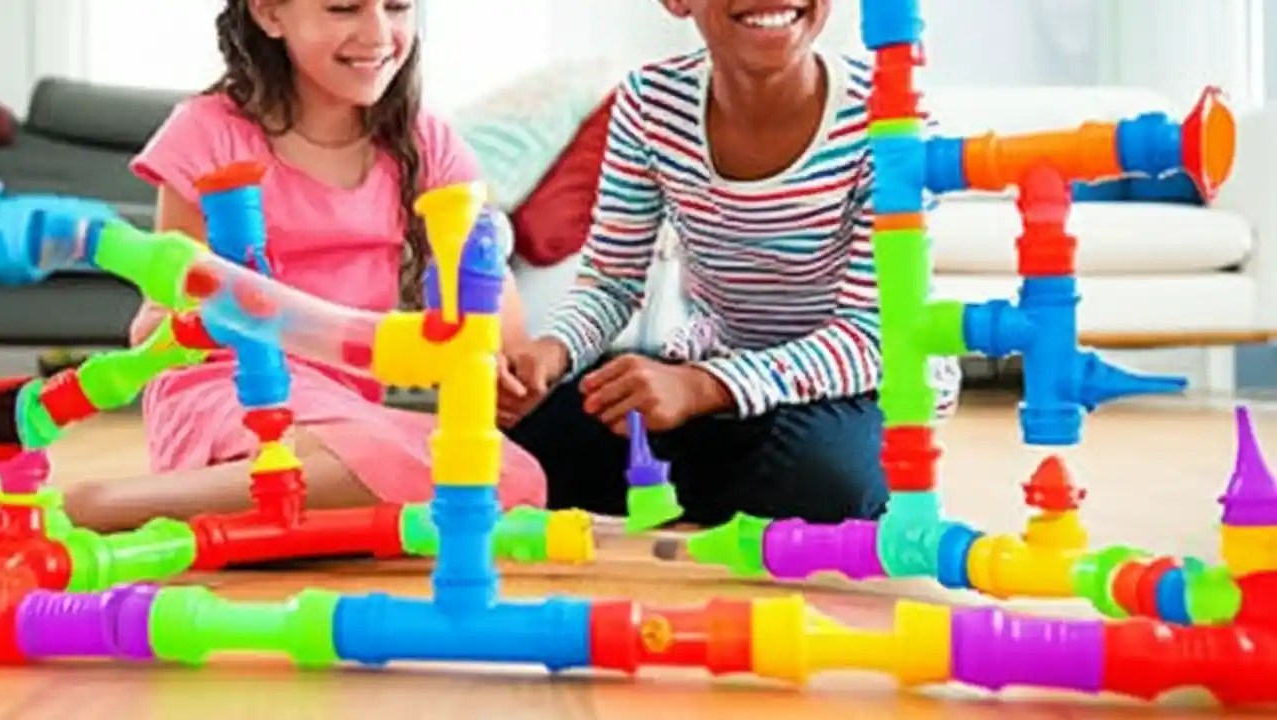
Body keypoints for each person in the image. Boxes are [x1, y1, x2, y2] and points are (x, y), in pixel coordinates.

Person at [56, 0, 545, 531]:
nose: (379, 33)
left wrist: (498, 358)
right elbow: (162, 311)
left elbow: (493, 307)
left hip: (347, 411)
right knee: (393, 464)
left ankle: (273, 511)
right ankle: (107, 506)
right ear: (269, 14)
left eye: (397, 7)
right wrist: (198, 315)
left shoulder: (427, 144)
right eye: (344, 9)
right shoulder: (208, 132)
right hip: (229, 390)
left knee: (515, 476)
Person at [500, 0, 962, 526]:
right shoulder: (650, 103)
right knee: (530, 442)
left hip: (863, 387)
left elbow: (873, 335)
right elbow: (611, 282)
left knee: (828, 479)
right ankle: (724, 486)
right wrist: (552, 352)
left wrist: (702, 387)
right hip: (720, 371)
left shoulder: (892, 121)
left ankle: (685, 481)